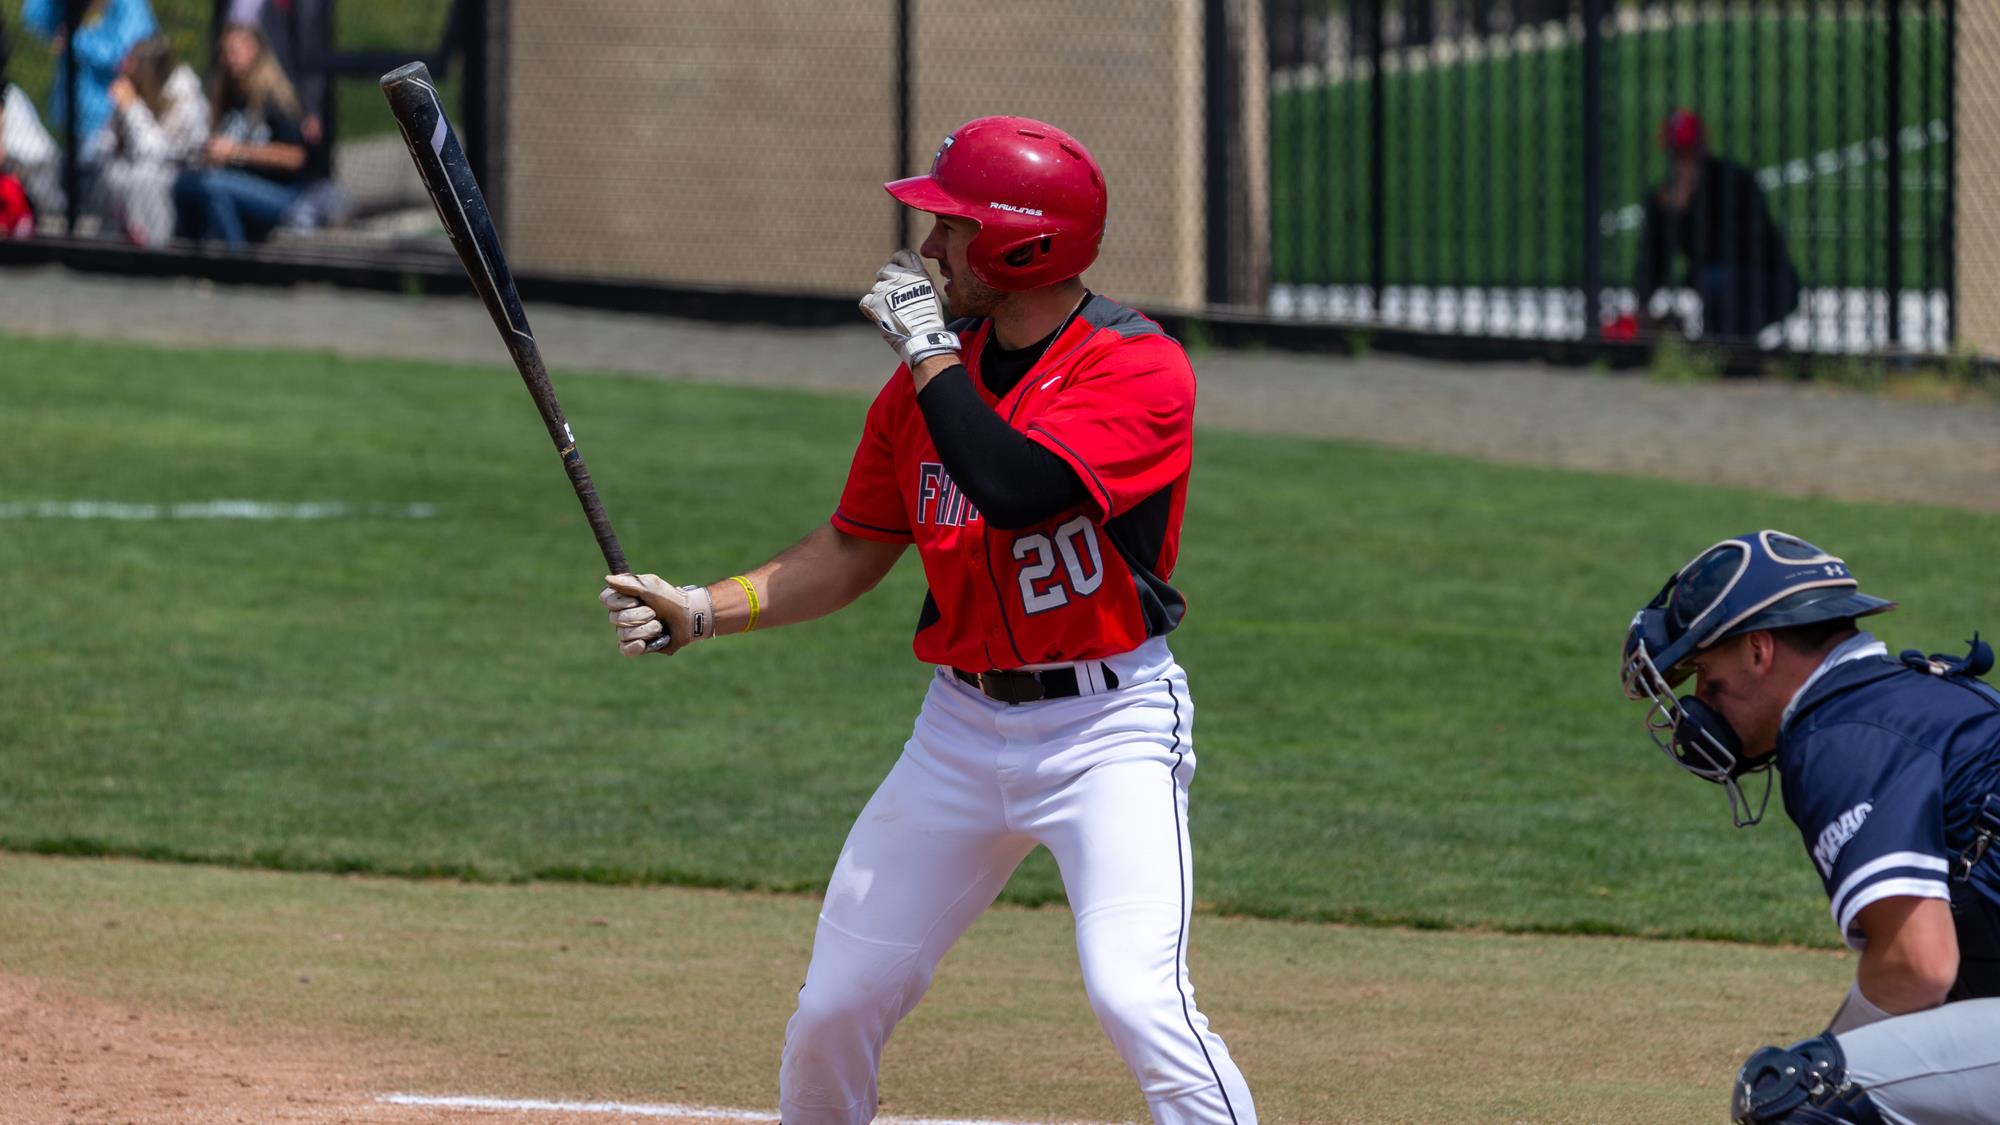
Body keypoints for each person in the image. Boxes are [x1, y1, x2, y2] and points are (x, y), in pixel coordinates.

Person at [598, 116, 1258, 1124]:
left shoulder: (1135, 368)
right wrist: (699, 610)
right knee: (834, 1007)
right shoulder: (924, 382)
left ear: (1020, 245)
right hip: (956, 733)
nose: (927, 249)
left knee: (1137, 998)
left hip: (1105, 732)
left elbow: (1014, 486)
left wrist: (924, 349)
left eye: (952, 227)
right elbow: (853, 548)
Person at [1620, 530, 2000, 1121]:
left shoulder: (1842, 734)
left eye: (1702, 669)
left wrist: (1837, 1049)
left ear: (1757, 651)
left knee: (1801, 1088)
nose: (1699, 697)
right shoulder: (1919, 699)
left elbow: (1919, 964)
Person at [1634, 109, 1803, 344]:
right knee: (1708, 286)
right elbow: (1652, 260)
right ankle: (1721, 349)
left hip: (1766, 281)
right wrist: (1642, 305)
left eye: (1687, 152)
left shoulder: (1735, 183)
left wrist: (1687, 212)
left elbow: (1742, 248)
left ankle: (1727, 350)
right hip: (1717, 283)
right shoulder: (1663, 198)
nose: (1682, 161)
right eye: (1676, 154)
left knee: (1715, 282)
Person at [171, 21, 307, 248]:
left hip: (281, 195)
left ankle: (236, 263)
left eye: (235, 50)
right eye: (225, 52)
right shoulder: (228, 96)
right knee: (185, 183)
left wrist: (237, 152)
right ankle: (189, 260)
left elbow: (295, 157)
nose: (229, 57)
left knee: (214, 185)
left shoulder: (274, 98)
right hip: (233, 184)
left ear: (255, 51)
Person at [86, 34, 204, 246]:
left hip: (180, 172)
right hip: (141, 168)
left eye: (131, 63)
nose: (124, 68)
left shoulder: (184, 96)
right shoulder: (133, 92)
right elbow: (102, 145)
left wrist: (132, 108)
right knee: (114, 172)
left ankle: (154, 245)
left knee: (145, 176)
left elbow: (155, 153)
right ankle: (114, 239)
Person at [20, 0, 155, 160]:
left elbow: (127, 53)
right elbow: (34, 18)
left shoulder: (130, 4)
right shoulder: (71, 5)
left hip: (111, 118)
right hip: (74, 115)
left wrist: (75, 40)